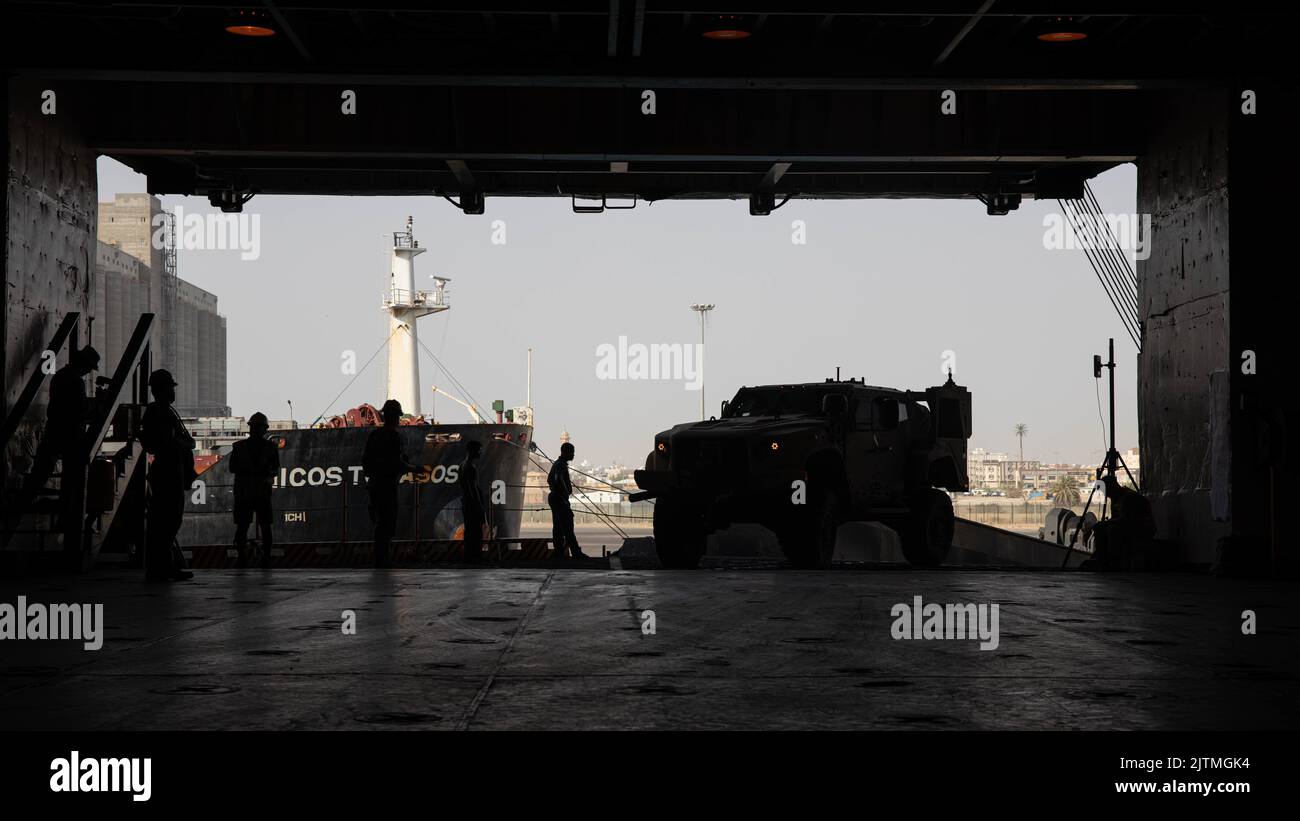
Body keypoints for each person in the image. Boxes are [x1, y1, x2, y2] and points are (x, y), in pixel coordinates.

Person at [29, 346, 100, 535]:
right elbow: (80, 409)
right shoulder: (75, 381)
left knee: (43, 467)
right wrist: (95, 406)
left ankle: (27, 497)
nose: (88, 372)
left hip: (55, 429)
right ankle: (66, 516)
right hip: (70, 435)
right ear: (84, 365)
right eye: (89, 367)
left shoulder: (60, 376)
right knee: (72, 478)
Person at [139, 369, 195, 582]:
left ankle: (163, 567)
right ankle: (160, 569)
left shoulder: (163, 411)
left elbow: (184, 441)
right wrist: (178, 442)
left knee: (166, 522)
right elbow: (172, 442)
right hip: (168, 472)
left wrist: (179, 442)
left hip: (169, 470)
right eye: (171, 386)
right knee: (166, 522)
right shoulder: (160, 412)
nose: (173, 391)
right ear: (163, 389)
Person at [362, 399, 416, 568]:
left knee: (378, 522)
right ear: (395, 417)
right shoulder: (393, 437)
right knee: (386, 523)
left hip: (374, 485)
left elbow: (366, 461)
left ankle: (380, 559)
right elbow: (397, 463)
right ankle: (383, 560)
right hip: (387, 485)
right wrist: (415, 469)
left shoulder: (374, 435)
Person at [229, 411, 280, 568]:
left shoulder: (239, 447)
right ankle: (265, 559)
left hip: (246, 492)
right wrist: (265, 473)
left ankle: (243, 558)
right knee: (263, 526)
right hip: (259, 492)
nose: (256, 430)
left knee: (244, 526)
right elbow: (276, 469)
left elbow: (232, 468)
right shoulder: (271, 448)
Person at [1087, 474, 1156, 571]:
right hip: (1131, 527)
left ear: (1113, 487)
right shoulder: (1117, 498)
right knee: (1102, 529)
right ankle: (1102, 561)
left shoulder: (1129, 497)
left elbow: (1126, 519)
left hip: (1142, 528)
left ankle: (1113, 565)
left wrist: (1105, 523)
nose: (1106, 495)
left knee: (1112, 530)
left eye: (1106, 491)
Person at [547, 442, 586, 560]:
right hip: (559, 498)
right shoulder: (561, 465)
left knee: (558, 527)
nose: (574, 455)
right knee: (568, 526)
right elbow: (557, 478)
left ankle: (558, 553)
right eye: (572, 452)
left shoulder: (557, 464)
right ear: (566, 452)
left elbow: (549, 479)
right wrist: (565, 491)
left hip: (554, 497)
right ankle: (576, 553)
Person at [459, 440, 486, 563]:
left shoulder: (462, 465)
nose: (481, 452)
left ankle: (468, 555)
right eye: (479, 450)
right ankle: (475, 555)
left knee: (469, 530)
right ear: (473, 451)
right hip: (472, 505)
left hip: (466, 503)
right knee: (476, 532)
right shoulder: (470, 467)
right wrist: (480, 506)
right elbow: (473, 489)